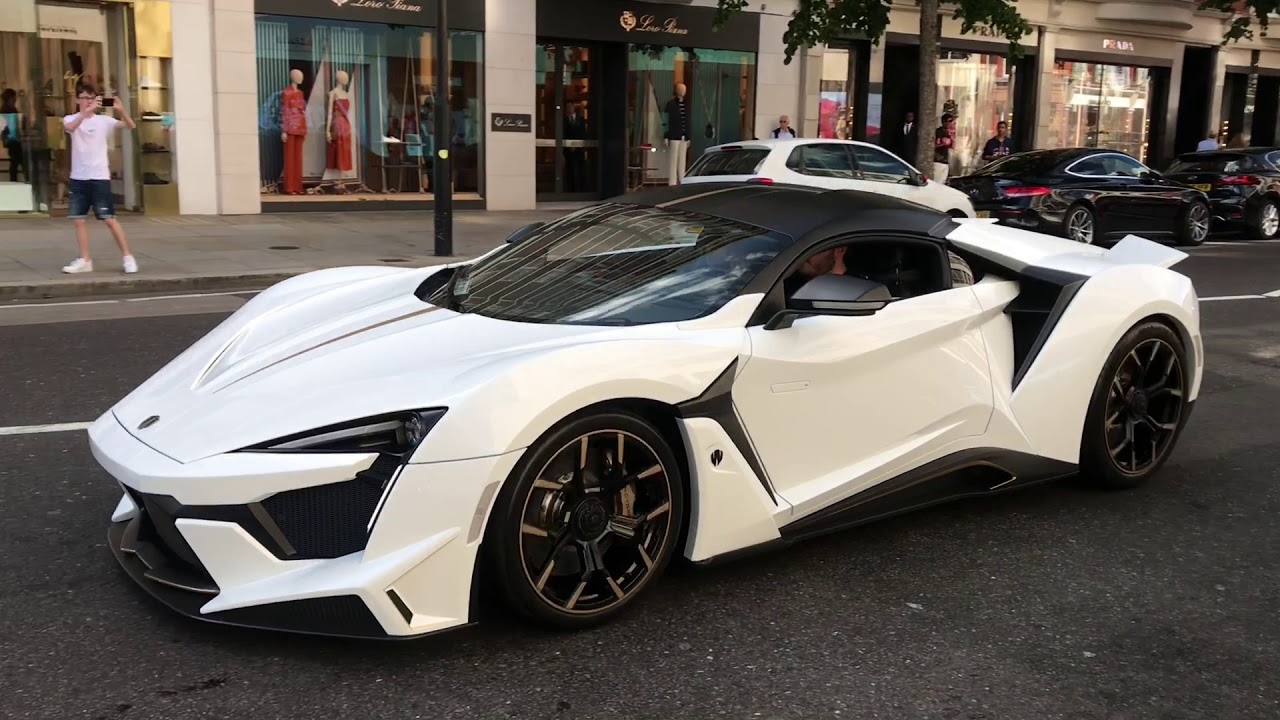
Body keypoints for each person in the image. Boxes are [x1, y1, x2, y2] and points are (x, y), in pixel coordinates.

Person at [60, 83, 137, 274]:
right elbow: (71, 127)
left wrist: (121, 110)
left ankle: (128, 256)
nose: (87, 101)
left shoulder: (104, 120)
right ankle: (85, 259)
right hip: (78, 177)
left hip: (99, 176)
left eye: (91, 98)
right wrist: (84, 114)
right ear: (77, 99)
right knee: (79, 219)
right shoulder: (70, 118)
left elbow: (130, 125)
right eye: (84, 97)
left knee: (109, 219)